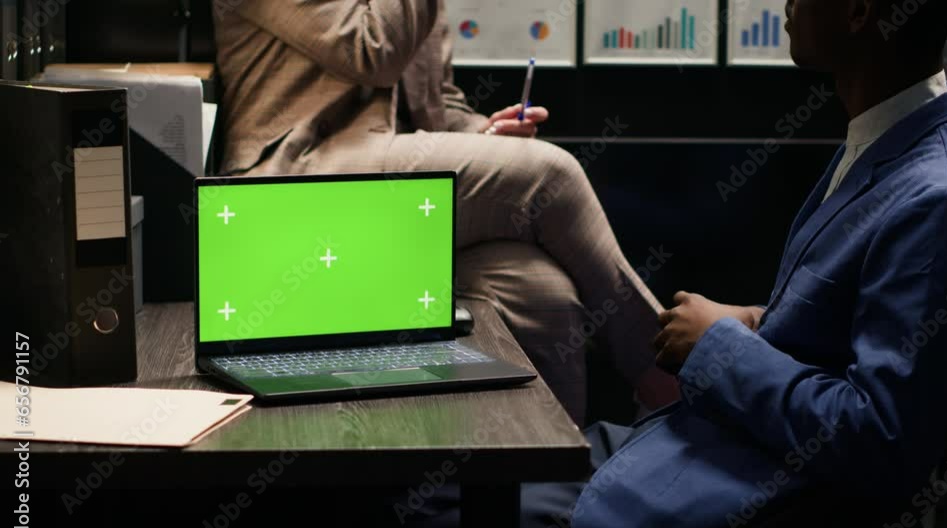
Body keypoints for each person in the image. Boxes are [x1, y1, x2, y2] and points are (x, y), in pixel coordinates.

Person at [379, 0, 947, 528]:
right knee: (453, 493)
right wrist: (753, 320)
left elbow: (880, 440)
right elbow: (849, 329)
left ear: (862, 12)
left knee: (431, 525)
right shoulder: (887, 140)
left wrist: (718, 347)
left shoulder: (940, 197)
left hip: (750, 491)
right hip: (715, 445)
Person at [211, 0, 679, 422]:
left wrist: (485, 135)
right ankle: (670, 378)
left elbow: (436, 102)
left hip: (389, 184)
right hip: (289, 185)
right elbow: (370, 49)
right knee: (550, 176)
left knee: (540, 290)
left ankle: (544, 500)